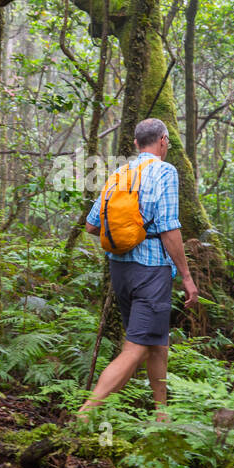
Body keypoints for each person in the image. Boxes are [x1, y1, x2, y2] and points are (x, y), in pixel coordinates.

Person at [79, 118, 199, 422]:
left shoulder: (119, 173)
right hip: (152, 272)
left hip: (121, 270)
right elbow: (170, 229)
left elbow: (92, 224)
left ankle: (162, 416)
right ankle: (83, 416)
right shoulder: (165, 171)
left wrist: (126, 235)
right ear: (163, 140)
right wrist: (187, 277)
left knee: (157, 342)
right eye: (168, 142)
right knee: (137, 346)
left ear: (135, 143)